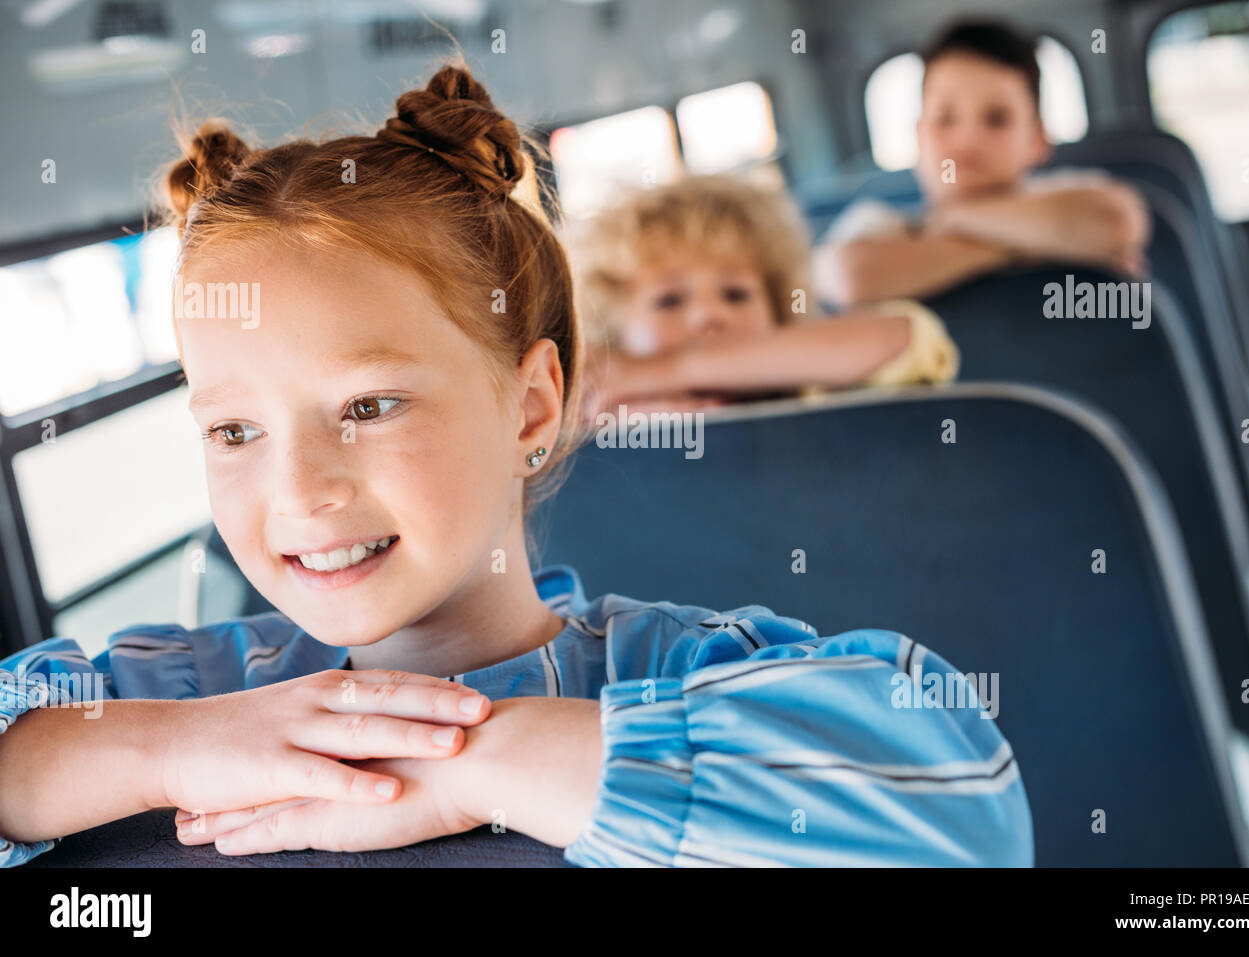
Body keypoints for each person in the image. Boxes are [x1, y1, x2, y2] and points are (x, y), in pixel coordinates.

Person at [0, 63, 1031, 867]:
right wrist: (155, 750)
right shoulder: (175, 690)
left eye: (367, 406)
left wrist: (473, 767)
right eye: (234, 432)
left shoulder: (679, 677)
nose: (299, 488)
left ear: (531, 404)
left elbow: (952, 803)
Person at [813, 19, 1150, 307]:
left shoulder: (1067, 193)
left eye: (997, 119)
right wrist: (1036, 243)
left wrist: (953, 220)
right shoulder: (879, 224)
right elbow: (850, 277)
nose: (967, 140)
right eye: (945, 118)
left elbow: (1116, 222)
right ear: (918, 135)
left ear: (1037, 140)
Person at [567, 173, 959, 419]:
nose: (709, 316)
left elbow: (901, 336)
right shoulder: (604, 423)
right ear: (612, 333)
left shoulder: (809, 388)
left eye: (736, 294)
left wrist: (657, 371)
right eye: (669, 301)